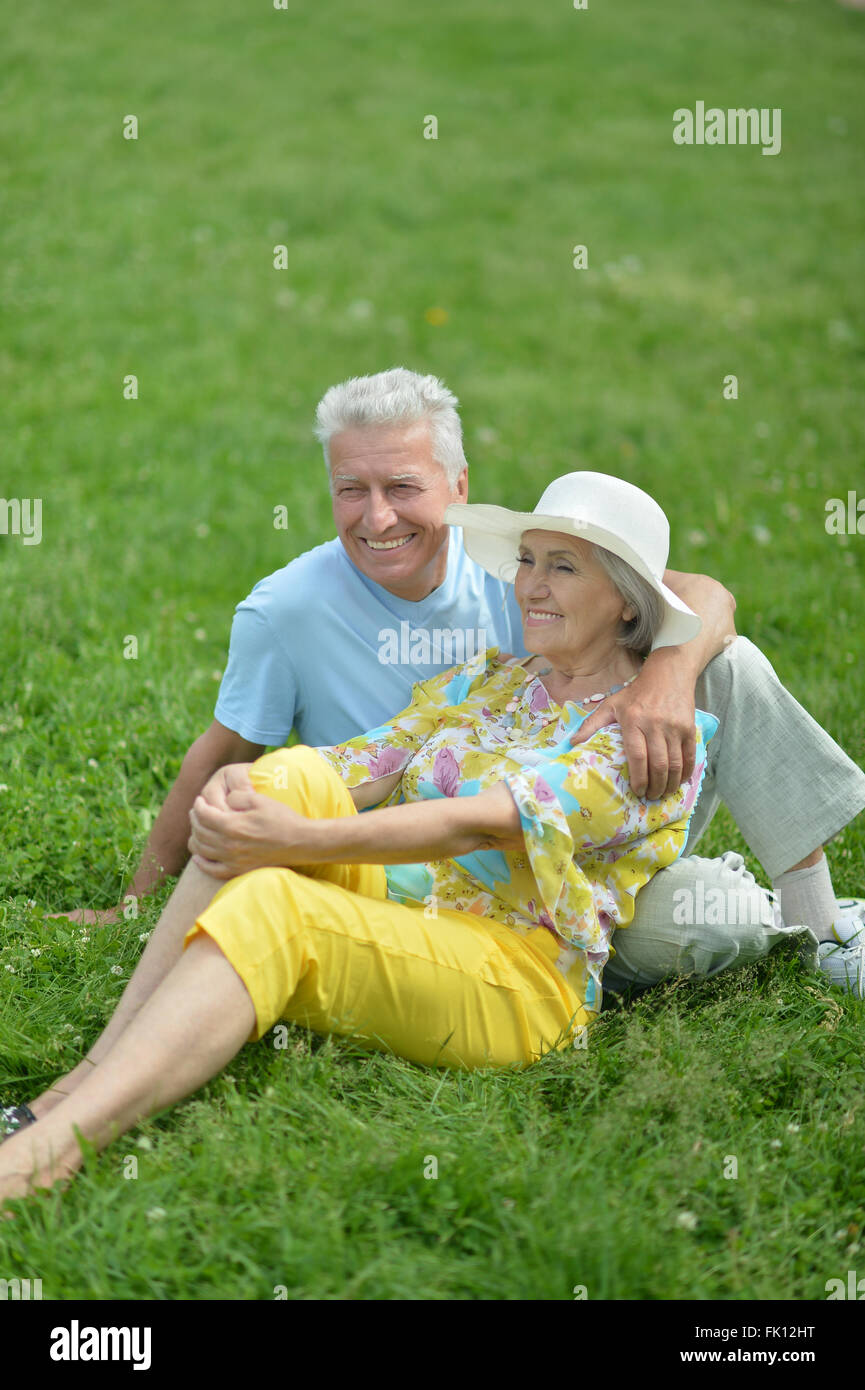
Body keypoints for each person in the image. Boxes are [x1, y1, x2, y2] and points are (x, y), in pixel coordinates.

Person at [0, 472, 722, 1201]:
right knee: (279, 780)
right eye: (527, 560)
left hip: (521, 976)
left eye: (562, 567)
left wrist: (292, 843)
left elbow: (482, 822)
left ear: (627, 599)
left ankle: (47, 1155)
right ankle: (83, 1080)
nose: (530, 585)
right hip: (411, 908)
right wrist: (248, 795)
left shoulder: (652, 739)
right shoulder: (495, 678)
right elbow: (367, 761)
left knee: (275, 903)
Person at [43, 369, 865, 999]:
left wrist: (667, 671)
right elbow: (223, 749)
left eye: (402, 488)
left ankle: (820, 921)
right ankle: (735, 916)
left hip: (598, 806)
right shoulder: (285, 610)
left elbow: (703, 599)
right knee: (690, 922)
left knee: (733, 662)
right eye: (350, 491)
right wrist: (138, 900)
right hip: (426, 853)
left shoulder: (525, 583)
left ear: (457, 488)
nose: (377, 518)